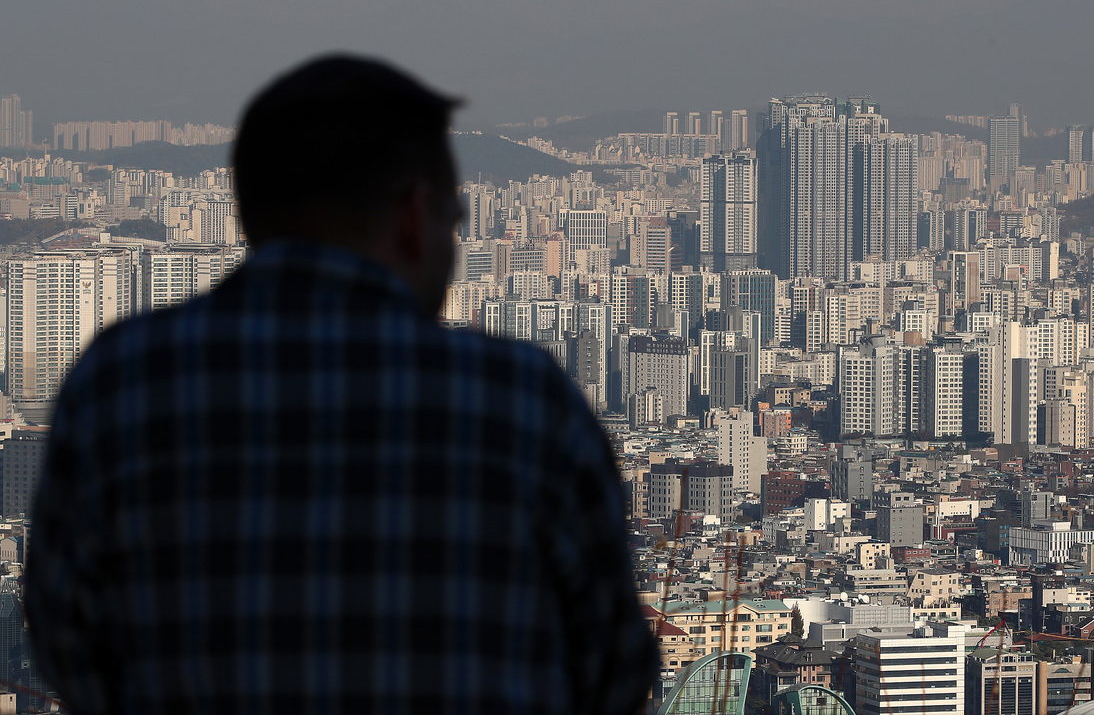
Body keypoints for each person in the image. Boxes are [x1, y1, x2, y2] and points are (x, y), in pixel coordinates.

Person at [25, 55, 658, 714]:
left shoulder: (121, 387)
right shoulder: (521, 403)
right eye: (454, 219)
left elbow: (66, 640)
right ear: (414, 215)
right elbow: (611, 668)